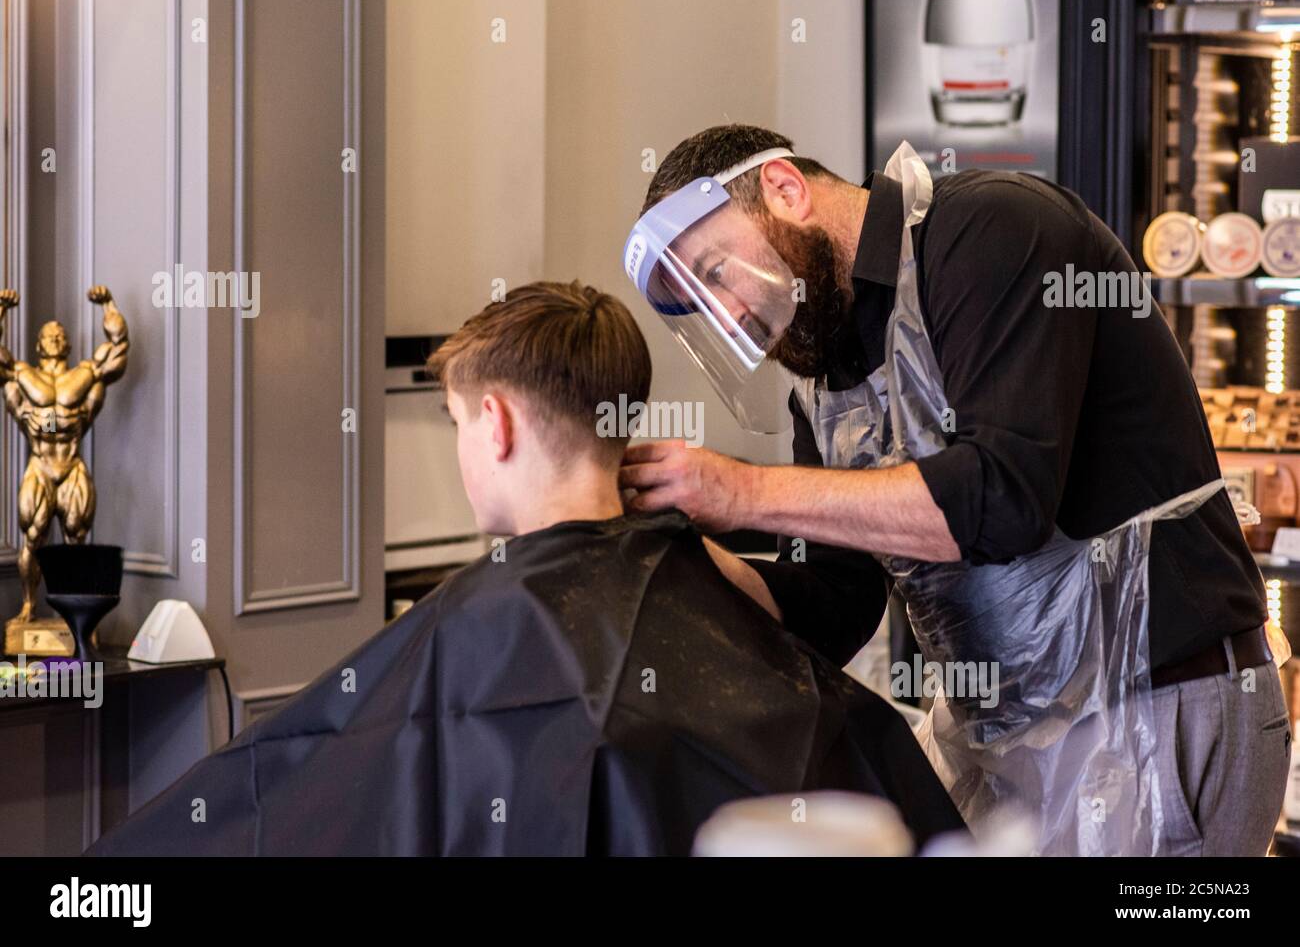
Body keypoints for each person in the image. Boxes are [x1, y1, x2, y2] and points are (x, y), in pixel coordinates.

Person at [88, 280, 964, 856]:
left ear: (497, 423)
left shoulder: (474, 626)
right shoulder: (707, 586)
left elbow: (280, 794)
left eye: (458, 422)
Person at [618, 124, 1291, 856]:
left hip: (1159, 712)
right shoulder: (823, 386)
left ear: (785, 189)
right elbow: (836, 602)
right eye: (700, 306)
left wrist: (740, 492)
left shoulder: (994, 230)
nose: (729, 317)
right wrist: (681, 551)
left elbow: (1004, 499)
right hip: (1008, 741)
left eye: (715, 273)